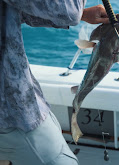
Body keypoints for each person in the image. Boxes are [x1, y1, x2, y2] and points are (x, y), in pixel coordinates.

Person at [0, 0, 109, 164]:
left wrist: (83, 14)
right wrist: (76, 12)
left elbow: (16, 11)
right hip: (12, 116)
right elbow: (68, 11)